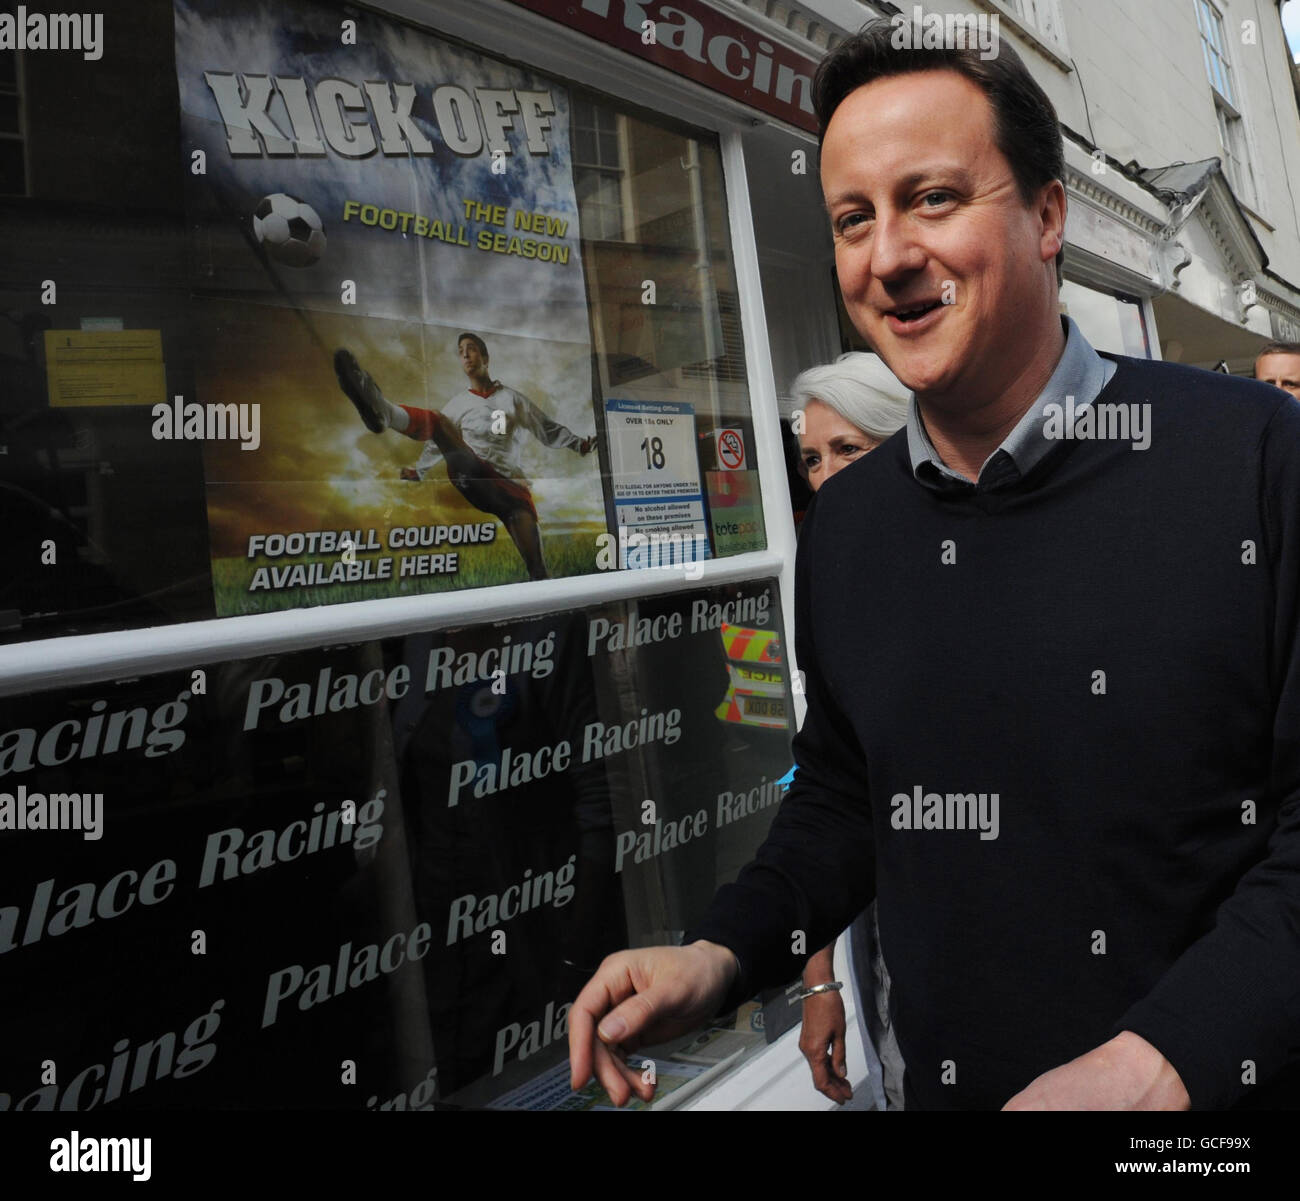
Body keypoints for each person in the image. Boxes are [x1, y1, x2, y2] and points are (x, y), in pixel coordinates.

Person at [569, 17, 1300, 1111]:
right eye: (852, 218)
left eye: (933, 198)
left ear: (1047, 215)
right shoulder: (851, 524)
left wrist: (1160, 1066)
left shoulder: (1253, 455)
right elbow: (848, 799)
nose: (889, 255)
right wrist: (723, 951)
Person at [787, 352, 909, 1108]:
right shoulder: (828, 589)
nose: (825, 474)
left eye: (847, 450)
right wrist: (820, 978)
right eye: (810, 457)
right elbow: (826, 787)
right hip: (888, 931)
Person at [335, 332, 596, 581]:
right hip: (474, 472)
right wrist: (420, 470)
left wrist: (579, 445)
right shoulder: (459, 403)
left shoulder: (514, 399)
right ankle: (383, 411)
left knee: (538, 569)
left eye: (471, 349)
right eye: (461, 352)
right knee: (437, 421)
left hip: (511, 490)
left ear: (485, 357)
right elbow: (438, 440)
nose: (466, 356)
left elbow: (547, 428)